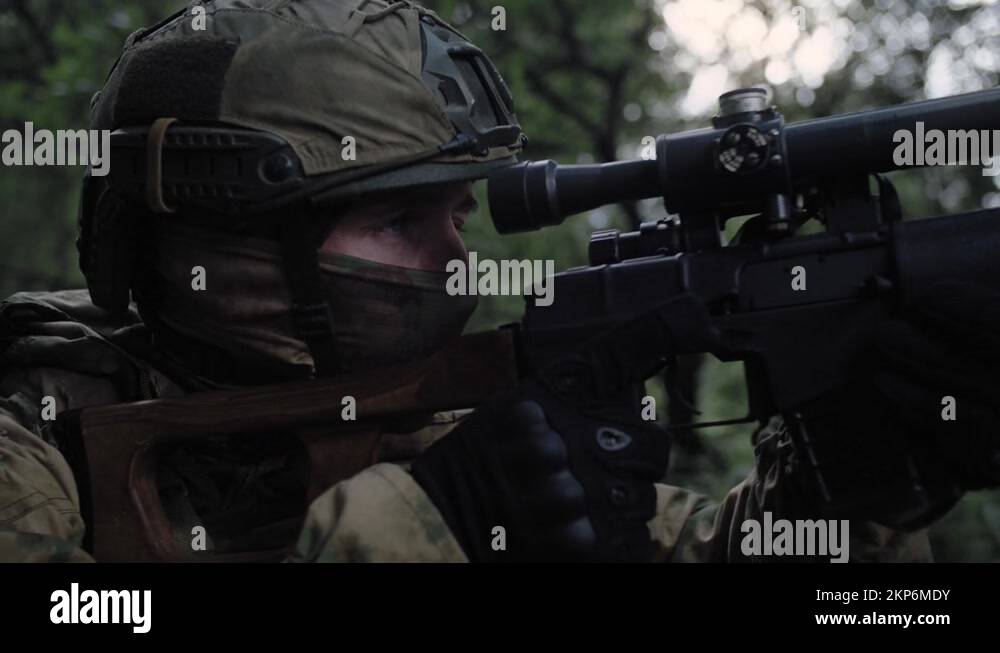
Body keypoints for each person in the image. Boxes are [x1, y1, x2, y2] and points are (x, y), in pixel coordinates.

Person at [1, 0, 997, 563]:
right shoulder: (34, 434)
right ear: (219, 250)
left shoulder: (442, 429)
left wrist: (848, 481)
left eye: (461, 211)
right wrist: (418, 526)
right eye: (398, 218)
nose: (457, 255)